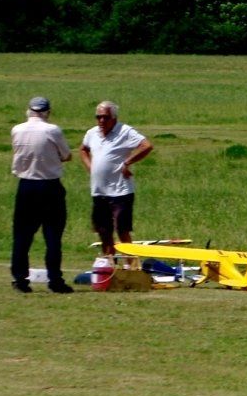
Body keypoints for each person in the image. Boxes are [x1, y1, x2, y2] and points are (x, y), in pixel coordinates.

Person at [10, 96, 74, 293]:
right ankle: (55, 279)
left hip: (26, 186)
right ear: (47, 111)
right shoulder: (52, 130)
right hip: (49, 186)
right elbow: (66, 155)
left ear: (29, 110)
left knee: (22, 236)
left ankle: (20, 279)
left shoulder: (17, 130)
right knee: (53, 236)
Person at [79, 100, 153, 261]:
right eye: (98, 117)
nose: (101, 121)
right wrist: (91, 167)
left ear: (114, 117)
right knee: (103, 230)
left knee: (122, 229)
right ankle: (109, 263)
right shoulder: (92, 133)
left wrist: (127, 162)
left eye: (105, 117)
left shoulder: (125, 131)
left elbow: (146, 146)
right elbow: (83, 149)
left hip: (121, 191)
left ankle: (130, 264)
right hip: (99, 190)